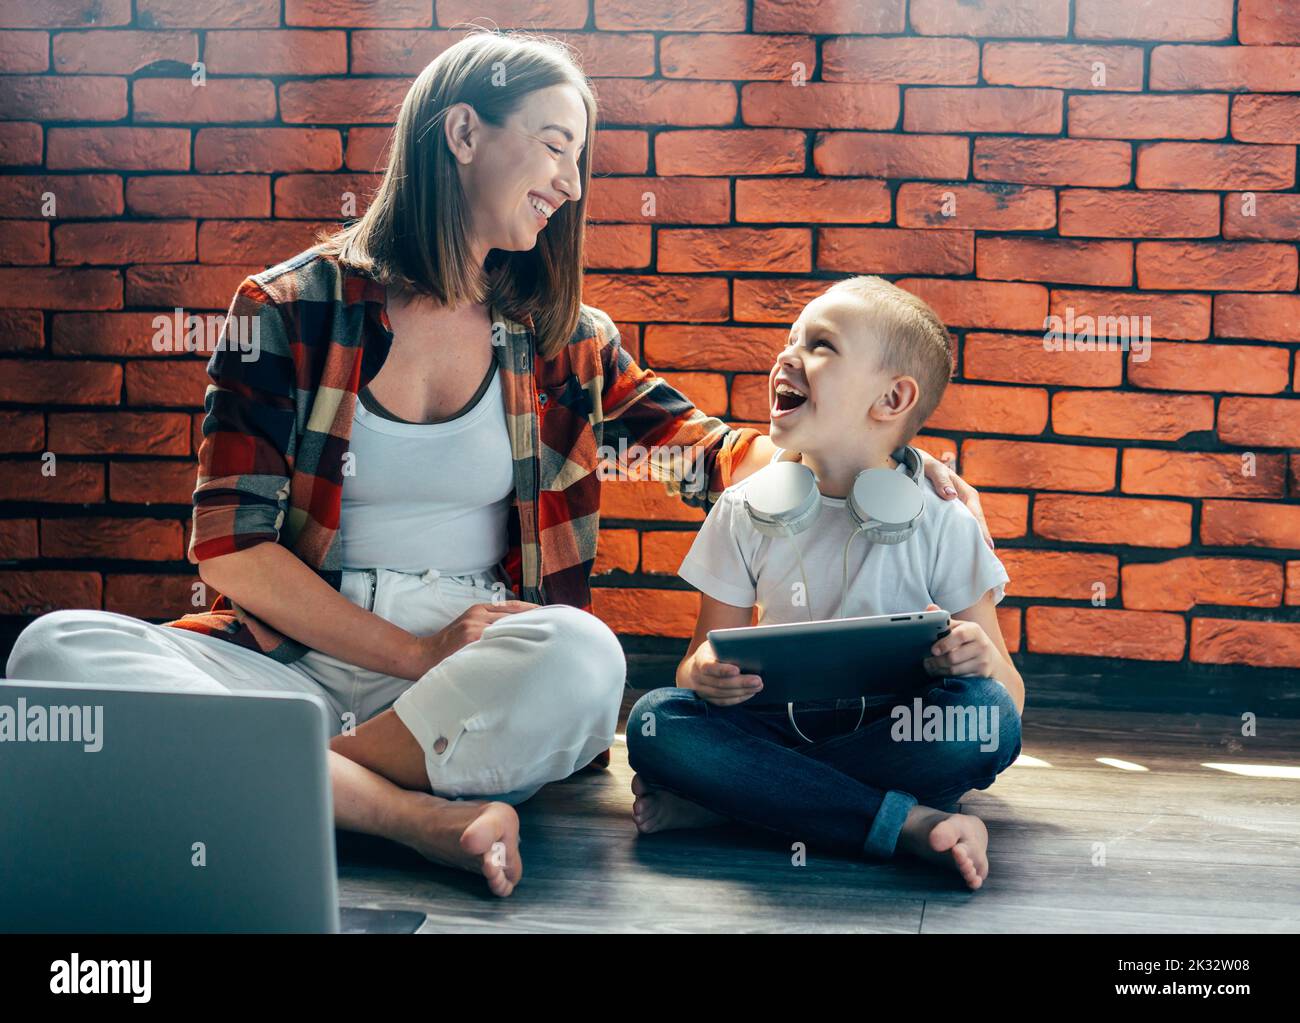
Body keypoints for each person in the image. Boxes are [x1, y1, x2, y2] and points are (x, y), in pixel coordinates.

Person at [6, 33, 990, 899]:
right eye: (555, 144)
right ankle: (410, 817)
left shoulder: (563, 338)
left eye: (579, 159)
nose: (569, 182)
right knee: (57, 652)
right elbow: (231, 552)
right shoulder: (290, 308)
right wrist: (407, 656)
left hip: (476, 660)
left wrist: (875, 449)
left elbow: (708, 458)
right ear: (464, 132)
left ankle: (287, 783)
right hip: (291, 652)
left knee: (582, 659)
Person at [626, 276, 1024, 891]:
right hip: (774, 723)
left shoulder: (944, 518)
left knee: (988, 716)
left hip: (894, 734)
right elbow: (692, 667)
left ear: (892, 399)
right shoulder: (741, 509)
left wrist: (978, 661)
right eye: (790, 340)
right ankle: (907, 823)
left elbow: (1011, 694)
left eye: (821, 345)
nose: (787, 355)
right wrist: (701, 673)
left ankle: (740, 800)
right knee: (657, 722)